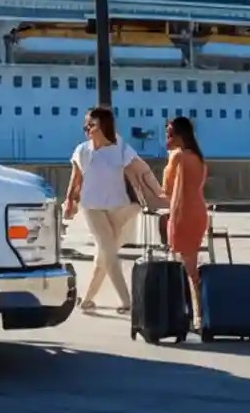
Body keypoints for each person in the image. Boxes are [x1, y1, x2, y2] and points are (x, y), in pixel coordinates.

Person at [63, 106, 165, 314]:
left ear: (104, 125)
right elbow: (76, 181)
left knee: (104, 256)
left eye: (91, 124)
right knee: (109, 251)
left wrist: (159, 194)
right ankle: (128, 302)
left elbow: (141, 171)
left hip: (118, 207)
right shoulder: (82, 150)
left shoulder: (121, 148)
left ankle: (88, 300)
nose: (86, 128)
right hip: (92, 207)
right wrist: (69, 202)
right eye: (85, 125)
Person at [162, 116, 208, 323]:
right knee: (190, 263)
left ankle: (195, 313)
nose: (167, 137)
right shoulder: (197, 156)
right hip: (198, 211)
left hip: (183, 214)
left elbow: (166, 189)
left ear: (181, 136)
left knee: (186, 267)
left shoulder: (177, 157)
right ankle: (199, 311)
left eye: (170, 133)